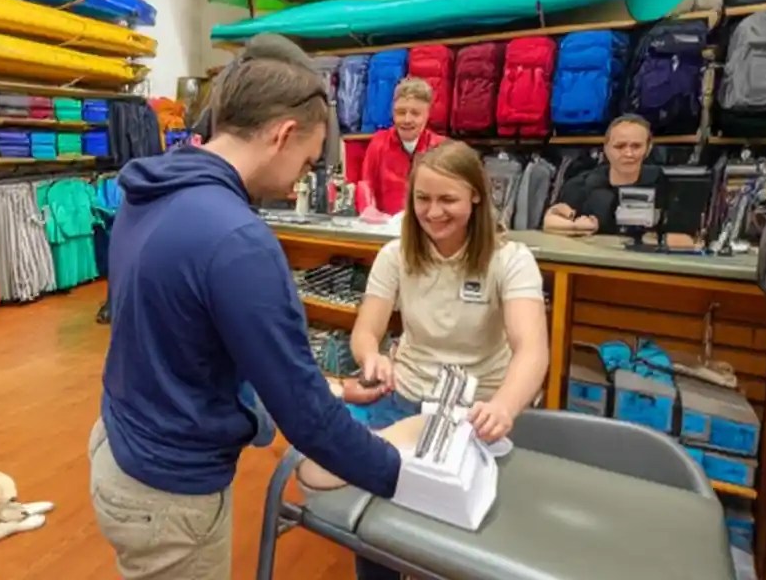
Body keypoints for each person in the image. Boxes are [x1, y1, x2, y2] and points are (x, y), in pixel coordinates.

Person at [90, 34, 402, 580]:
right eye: (306, 162)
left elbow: (195, 345)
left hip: (120, 445)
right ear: (282, 134)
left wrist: (335, 388)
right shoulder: (237, 239)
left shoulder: (150, 189)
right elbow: (305, 418)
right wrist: (401, 473)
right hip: (168, 490)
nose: (298, 182)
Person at [337, 141, 550, 580]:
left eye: (447, 199)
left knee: (461, 540)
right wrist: (372, 357)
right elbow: (366, 331)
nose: (433, 212)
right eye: (423, 199)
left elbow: (532, 349)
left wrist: (504, 408)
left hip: (476, 418)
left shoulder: (511, 260)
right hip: (404, 401)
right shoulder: (394, 255)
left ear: (476, 195)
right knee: (377, 525)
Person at [543, 114, 664, 236]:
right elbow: (550, 220)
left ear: (648, 149)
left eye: (636, 146)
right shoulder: (581, 185)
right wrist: (575, 227)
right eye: (620, 146)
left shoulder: (665, 183)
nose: (628, 153)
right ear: (606, 149)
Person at [358, 77, 447, 216]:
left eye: (415, 113)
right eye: (400, 112)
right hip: (386, 228)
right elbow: (366, 186)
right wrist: (369, 211)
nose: (407, 120)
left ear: (428, 114)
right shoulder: (378, 144)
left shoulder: (441, 148)